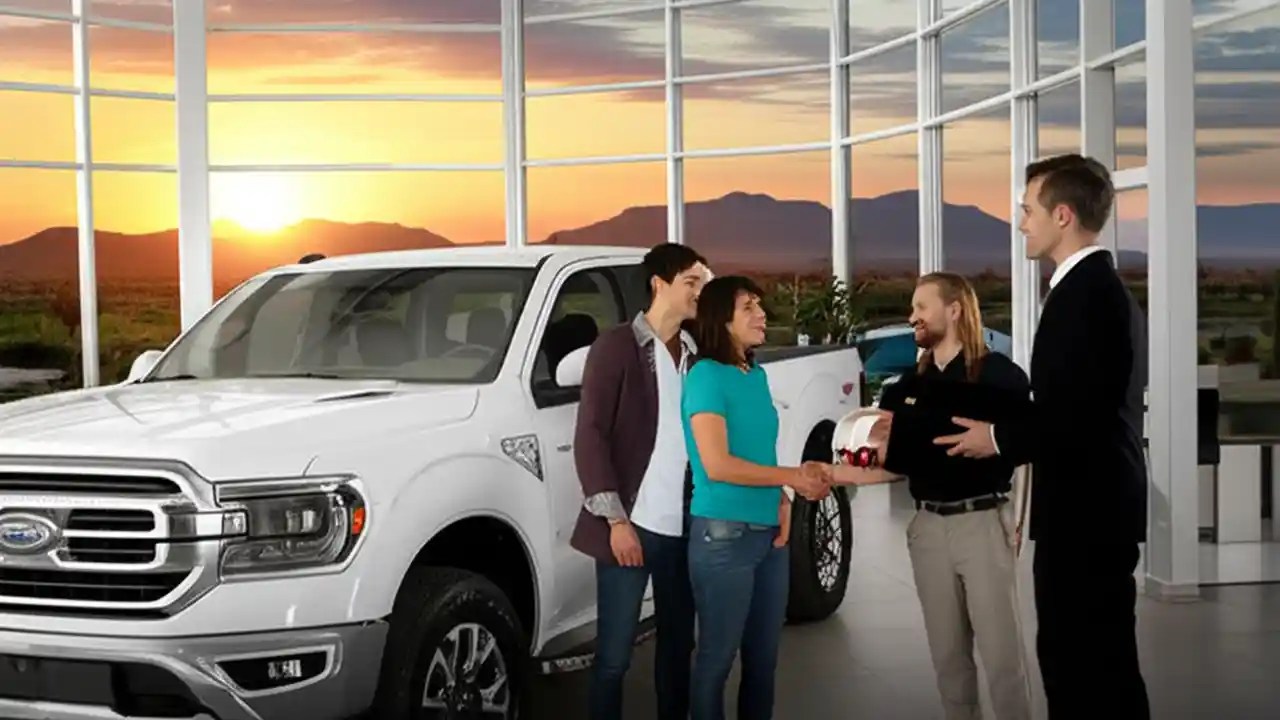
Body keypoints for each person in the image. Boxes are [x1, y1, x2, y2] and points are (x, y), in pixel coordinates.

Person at [933, 154, 1150, 718]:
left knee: (1080, 667)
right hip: (1096, 510)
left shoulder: (1085, 297)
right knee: (1101, 664)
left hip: (1086, 514)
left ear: (1062, 215)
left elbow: (1078, 414)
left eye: (1027, 210)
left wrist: (998, 438)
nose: (1020, 221)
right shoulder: (1096, 291)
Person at [826, 272, 1033, 720]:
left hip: (982, 526)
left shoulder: (1002, 377)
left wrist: (1016, 518)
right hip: (926, 531)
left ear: (954, 310)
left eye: (922, 307)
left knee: (1003, 660)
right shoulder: (904, 391)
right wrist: (828, 473)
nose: (912, 316)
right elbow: (893, 467)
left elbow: (1030, 445)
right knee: (948, 660)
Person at [570, 242, 710, 720]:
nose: (700, 292)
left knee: (677, 648)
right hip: (631, 527)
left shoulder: (696, 353)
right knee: (613, 657)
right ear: (659, 283)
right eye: (692, 282)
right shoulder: (617, 346)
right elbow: (590, 434)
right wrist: (615, 521)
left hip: (684, 528)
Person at [681, 275, 830, 720]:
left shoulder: (756, 374)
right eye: (749, 307)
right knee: (716, 660)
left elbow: (757, 451)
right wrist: (793, 478)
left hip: (770, 539)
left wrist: (782, 498)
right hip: (723, 538)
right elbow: (717, 464)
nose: (762, 314)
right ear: (720, 319)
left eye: (760, 306)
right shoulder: (706, 376)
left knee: (764, 662)